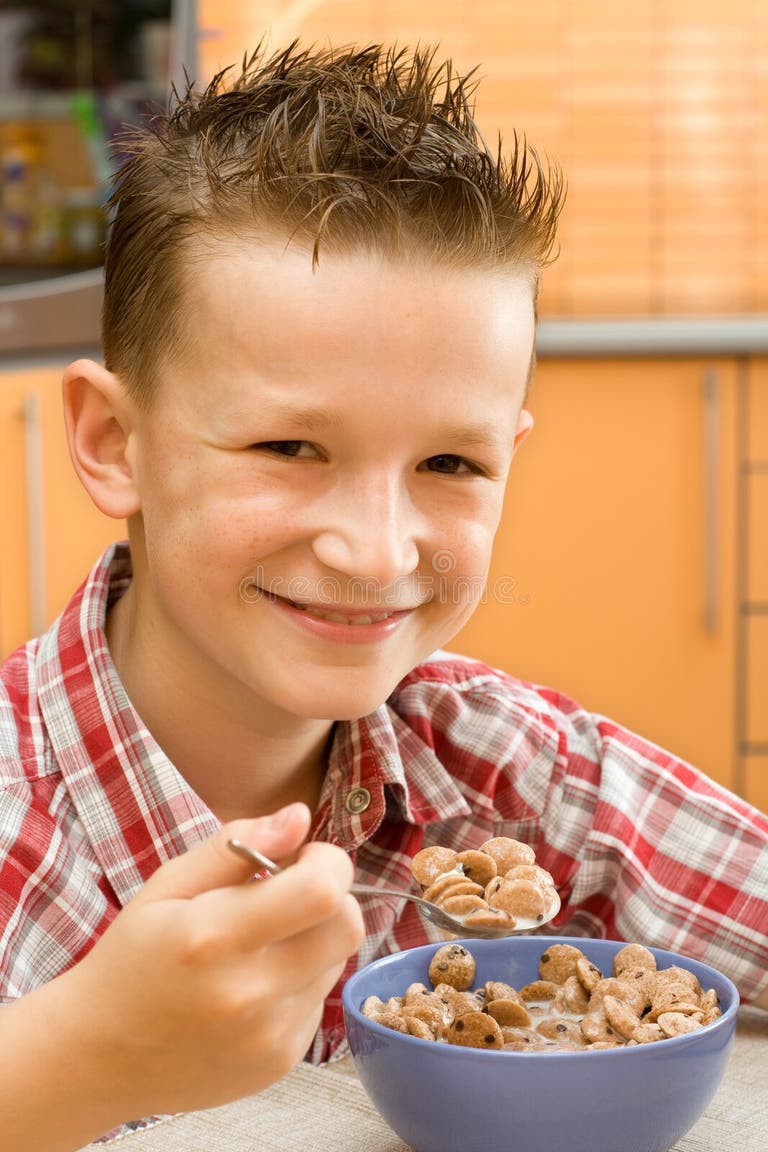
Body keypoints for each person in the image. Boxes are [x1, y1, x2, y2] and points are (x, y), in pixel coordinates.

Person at [0, 40, 766, 1150]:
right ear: (117, 442)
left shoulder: (511, 776)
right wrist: (75, 1060)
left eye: (450, 466)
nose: (374, 550)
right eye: (290, 445)